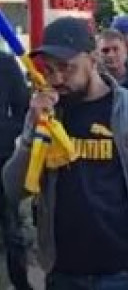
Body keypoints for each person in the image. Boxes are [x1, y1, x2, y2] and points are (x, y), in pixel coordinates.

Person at [2, 16, 128, 290]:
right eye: (49, 70)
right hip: (65, 271)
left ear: (93, 58)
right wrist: (32, 135)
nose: (57, 78)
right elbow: (14, 189)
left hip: (126, 272)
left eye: (66, 67)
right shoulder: (47, 116)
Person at [0, 52, 32, 290]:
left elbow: (24, 112)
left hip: (3, 161)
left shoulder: (6, 64)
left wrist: (5, 135)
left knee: (12, 229)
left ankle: (20, 283)